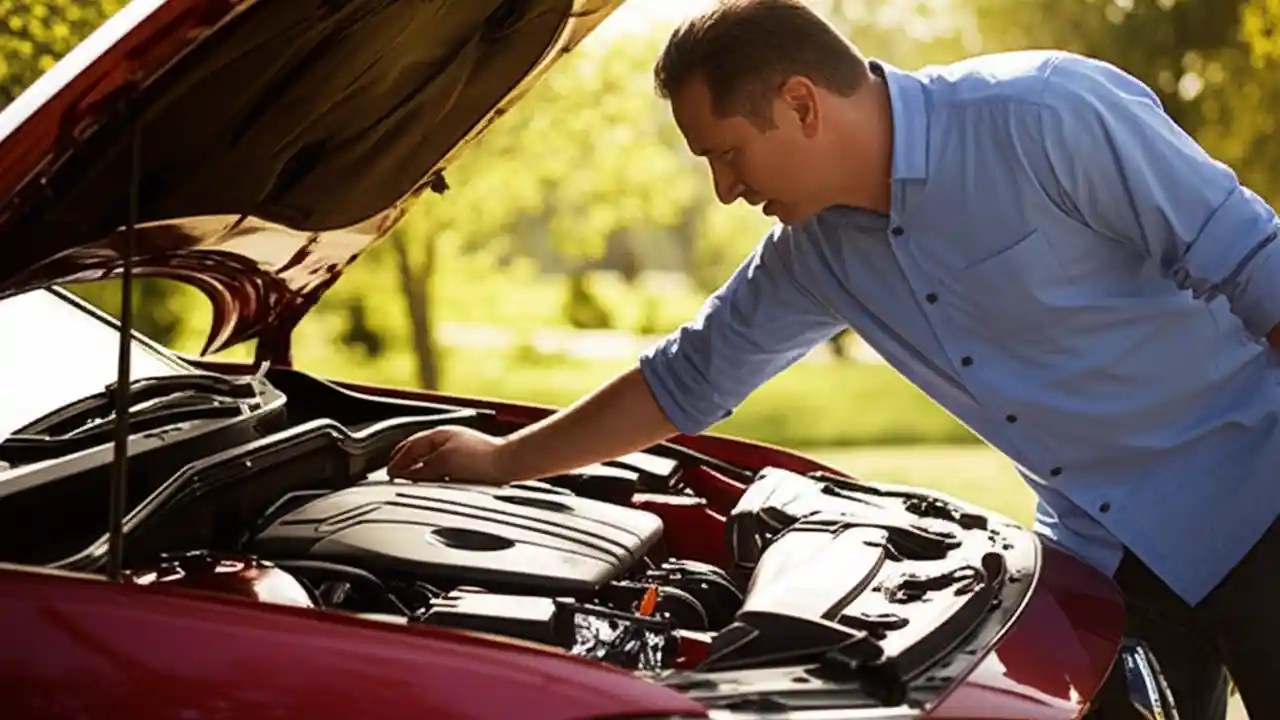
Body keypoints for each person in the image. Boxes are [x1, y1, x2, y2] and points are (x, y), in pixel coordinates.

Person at [388, 0, 1280, 716]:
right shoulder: (814, 254)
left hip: (1260, 510)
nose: (725, 189)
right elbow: (686, 379)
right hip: (1103, 562)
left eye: (729, 154)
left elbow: (1259, 268)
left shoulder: (1046, 115)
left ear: (803, 103)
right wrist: (503, 462)